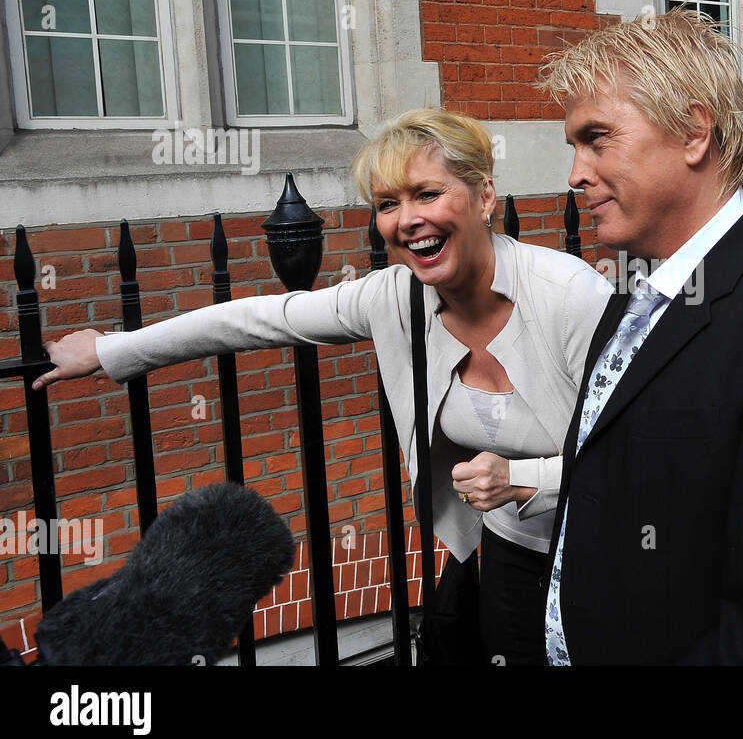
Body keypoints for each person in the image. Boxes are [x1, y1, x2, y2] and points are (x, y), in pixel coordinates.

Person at [33, 109, 612, 666]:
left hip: (601, 550)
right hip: (511, 552)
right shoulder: (393, 296)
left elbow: (636, 453)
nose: (406, 219)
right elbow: (259, 319)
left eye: (427, 194)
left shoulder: (566, 294)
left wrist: (521, 478)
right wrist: (111, 349)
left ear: (484, 196)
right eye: (388, 204)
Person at [535, 8, 743, 664]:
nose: (576, 173)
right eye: (573, 146)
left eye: (597, 138)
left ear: (693, 132)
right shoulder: (637, 290)